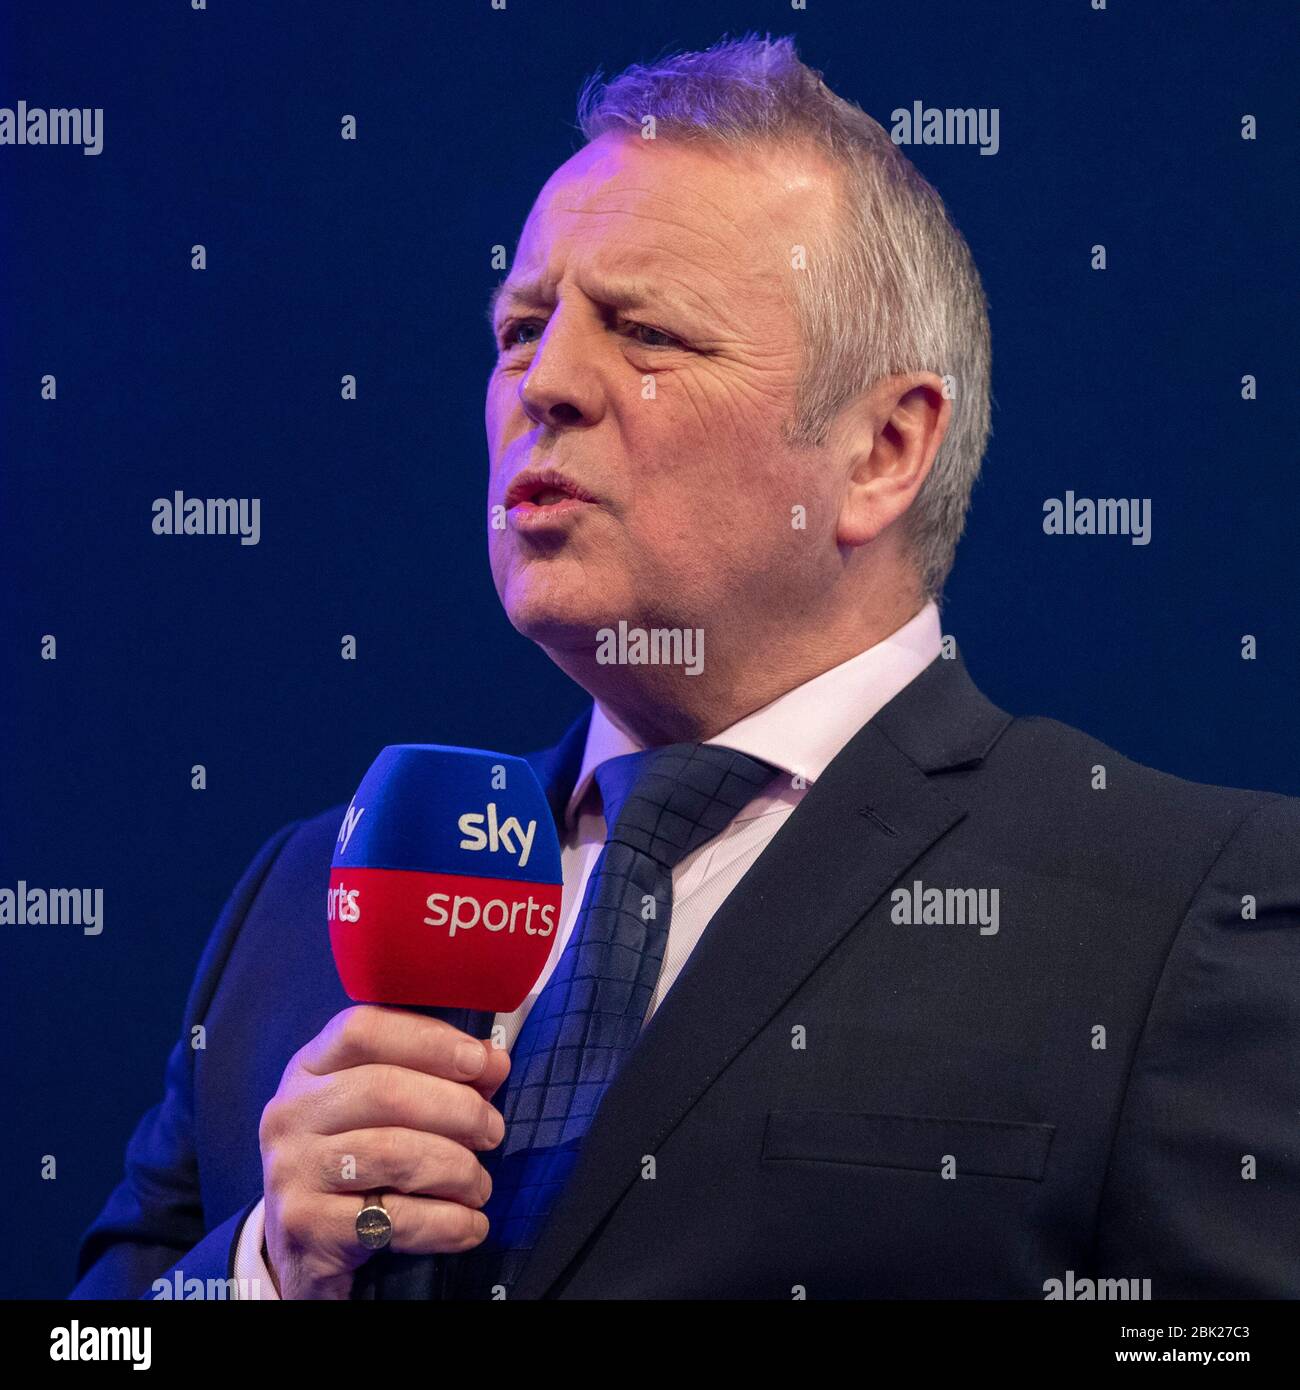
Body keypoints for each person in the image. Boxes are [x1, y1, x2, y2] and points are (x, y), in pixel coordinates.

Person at [72, 33, 1300, 1301]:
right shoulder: (299, 903)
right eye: (520, 328)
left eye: (647, 334)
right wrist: (268, 1268)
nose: (543, 385)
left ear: (882, 447)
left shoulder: (1179, 911)